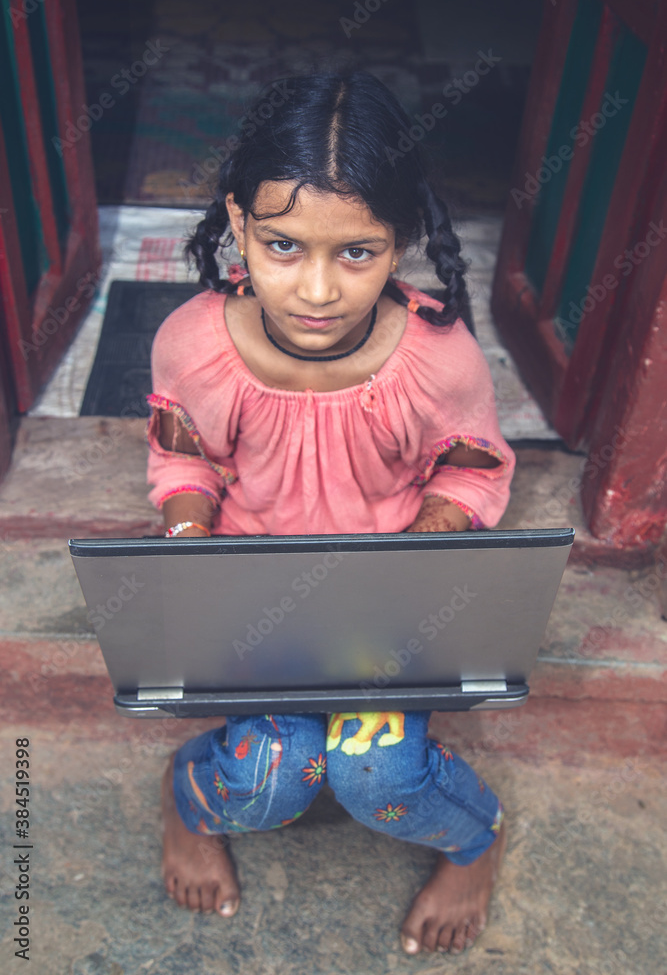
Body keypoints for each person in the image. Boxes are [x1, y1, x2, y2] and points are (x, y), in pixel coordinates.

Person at [145, 70, 515, 956]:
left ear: (401, 245)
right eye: (282, 247)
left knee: (374, 771)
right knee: (274, 772)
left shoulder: (438, 359)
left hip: (387, 605)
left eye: (357, 253)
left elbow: (471, 474)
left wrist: (410, 562)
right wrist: (190, 536)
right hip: (251, 597)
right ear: (238, 224)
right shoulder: (193, 343)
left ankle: (474, 840)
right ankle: (186, 800)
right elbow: (183, 456)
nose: (317, 290)